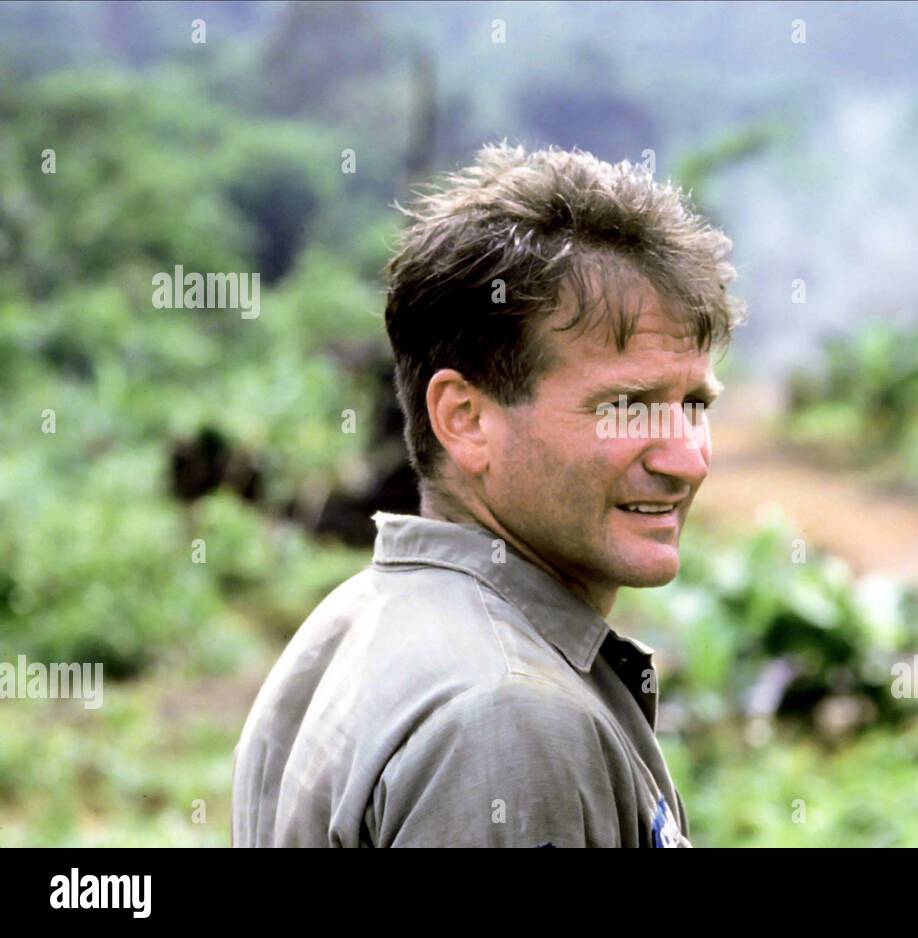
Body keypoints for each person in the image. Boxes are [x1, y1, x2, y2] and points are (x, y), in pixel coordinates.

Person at [231, 141, 745, 847]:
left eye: (695, 405)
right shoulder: (510, 717)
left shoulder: (352, 619)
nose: (686, 460)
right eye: (626, 406)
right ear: (466, 420)